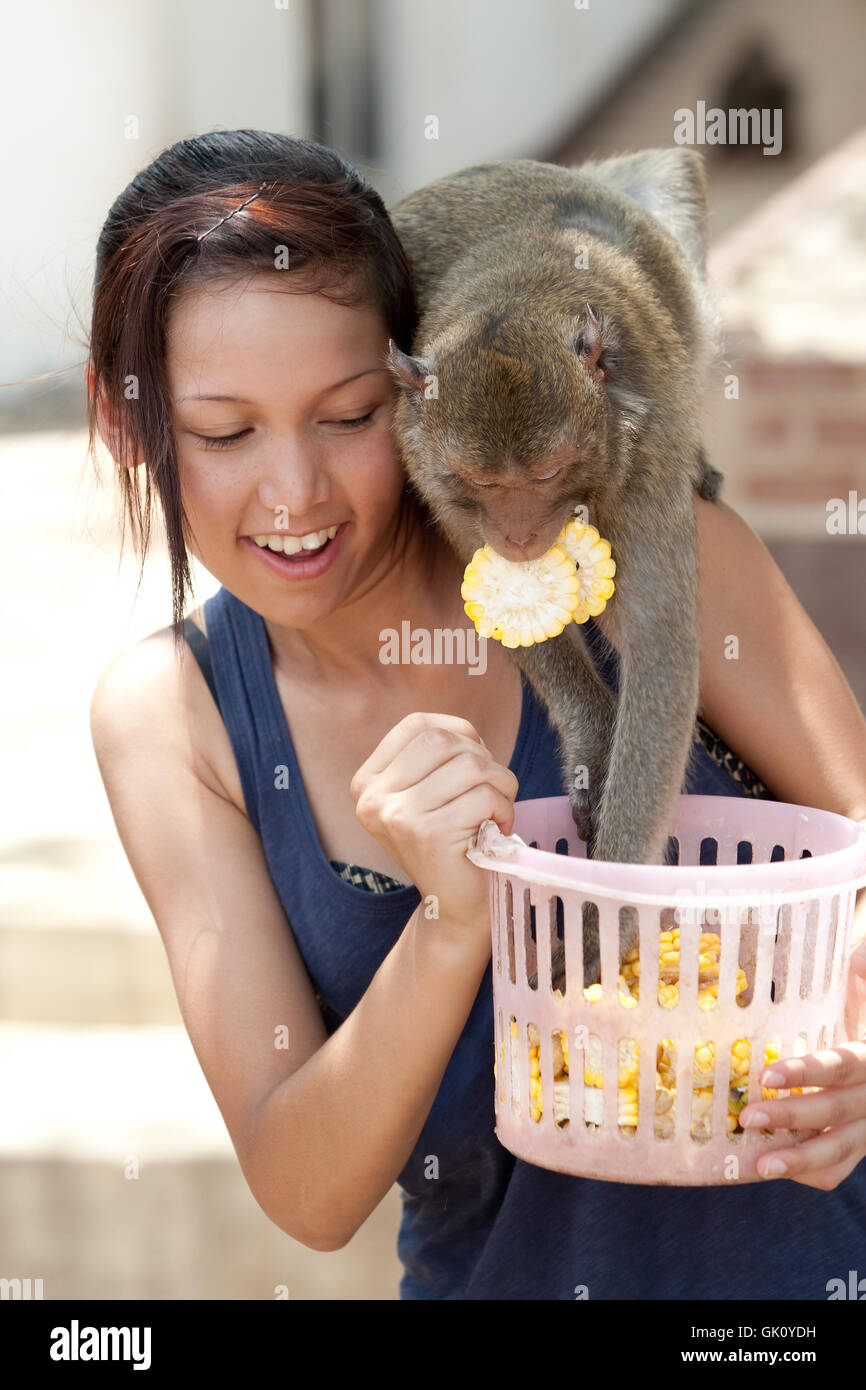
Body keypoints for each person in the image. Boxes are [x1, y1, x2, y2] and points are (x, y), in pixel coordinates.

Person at [87, 130, 866, 1300]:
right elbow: (307, 1188)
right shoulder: (176, 715)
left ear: (416, 385)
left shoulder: (635, 551)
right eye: (224, 432)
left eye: (347, 415)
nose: (294, 492)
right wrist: (453, 923)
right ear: (123, 421)